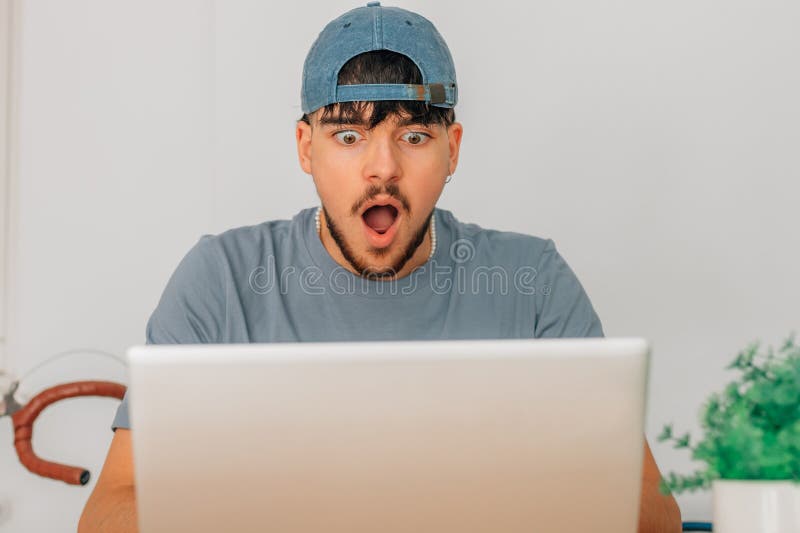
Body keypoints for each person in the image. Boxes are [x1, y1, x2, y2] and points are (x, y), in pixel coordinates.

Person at [79, 3, 682, 532]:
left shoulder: (533, 281)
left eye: (414, 136)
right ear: (305, 148)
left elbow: (652, 515)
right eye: (348, 137)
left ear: (453, 149)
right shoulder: (222, 280)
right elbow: (109, 512)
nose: (382, 168)